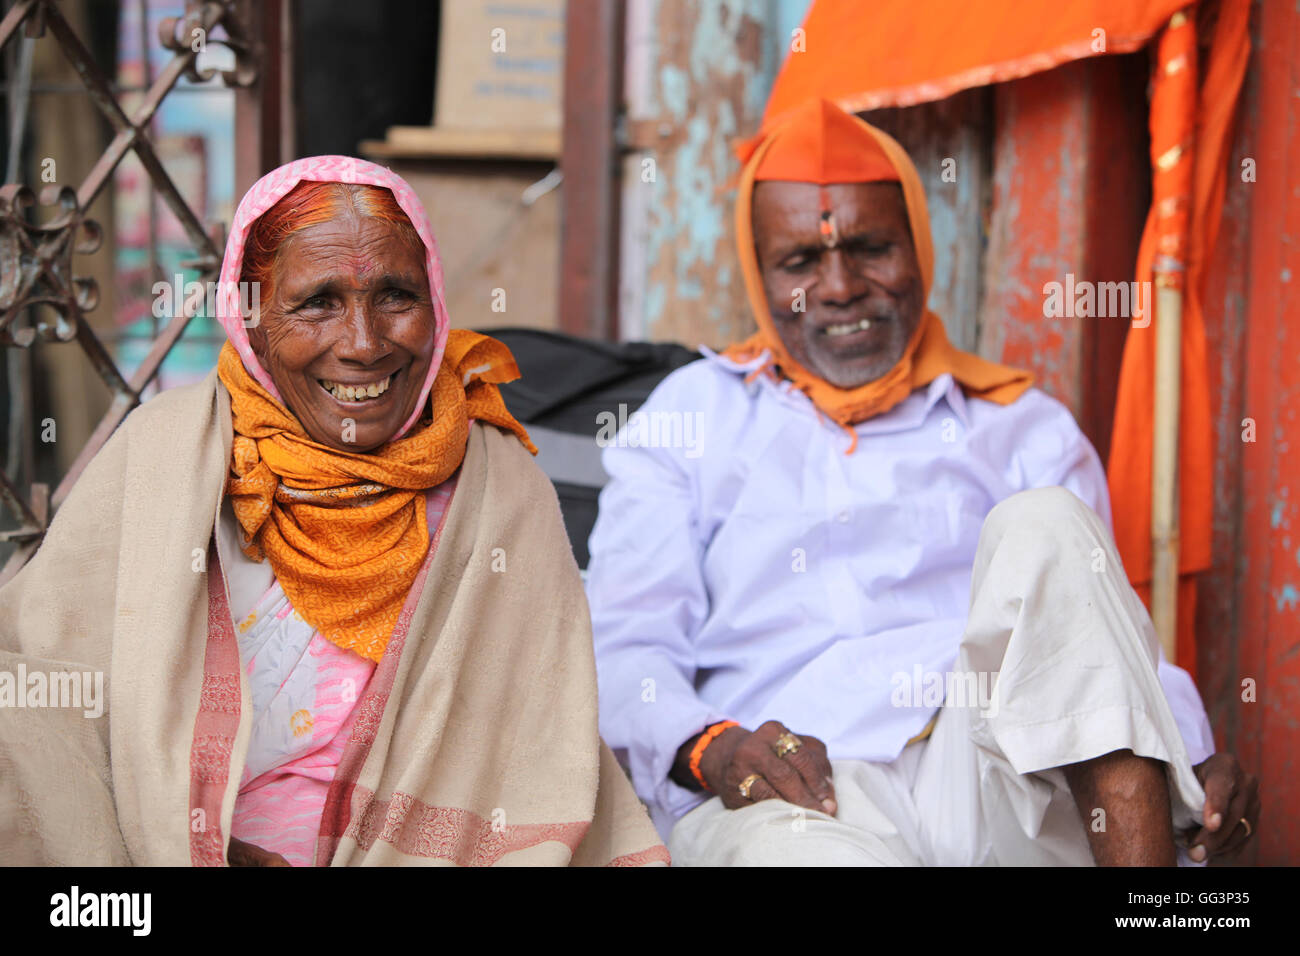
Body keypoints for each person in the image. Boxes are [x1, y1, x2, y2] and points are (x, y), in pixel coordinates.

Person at [587, 99, 1259, 866]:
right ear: (758, 274)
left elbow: (1099, 637)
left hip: (995, 774)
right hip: (790, 792)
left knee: (1046, 522)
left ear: (919, 248)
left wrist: (1192, 764)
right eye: (801, 261)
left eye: (871, 248)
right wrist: (714, 746)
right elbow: (625, 649)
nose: (839, 287)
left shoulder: (1021, 424)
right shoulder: (691, 416)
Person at [0, 156, 666, 867]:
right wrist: (198, 841)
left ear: (436, 301)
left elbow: (535, 756)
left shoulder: (497, 482)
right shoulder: (163, 458)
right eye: (318, 301)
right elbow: (39, 674)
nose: (363, 343)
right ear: (249, 321)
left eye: (396, 296)